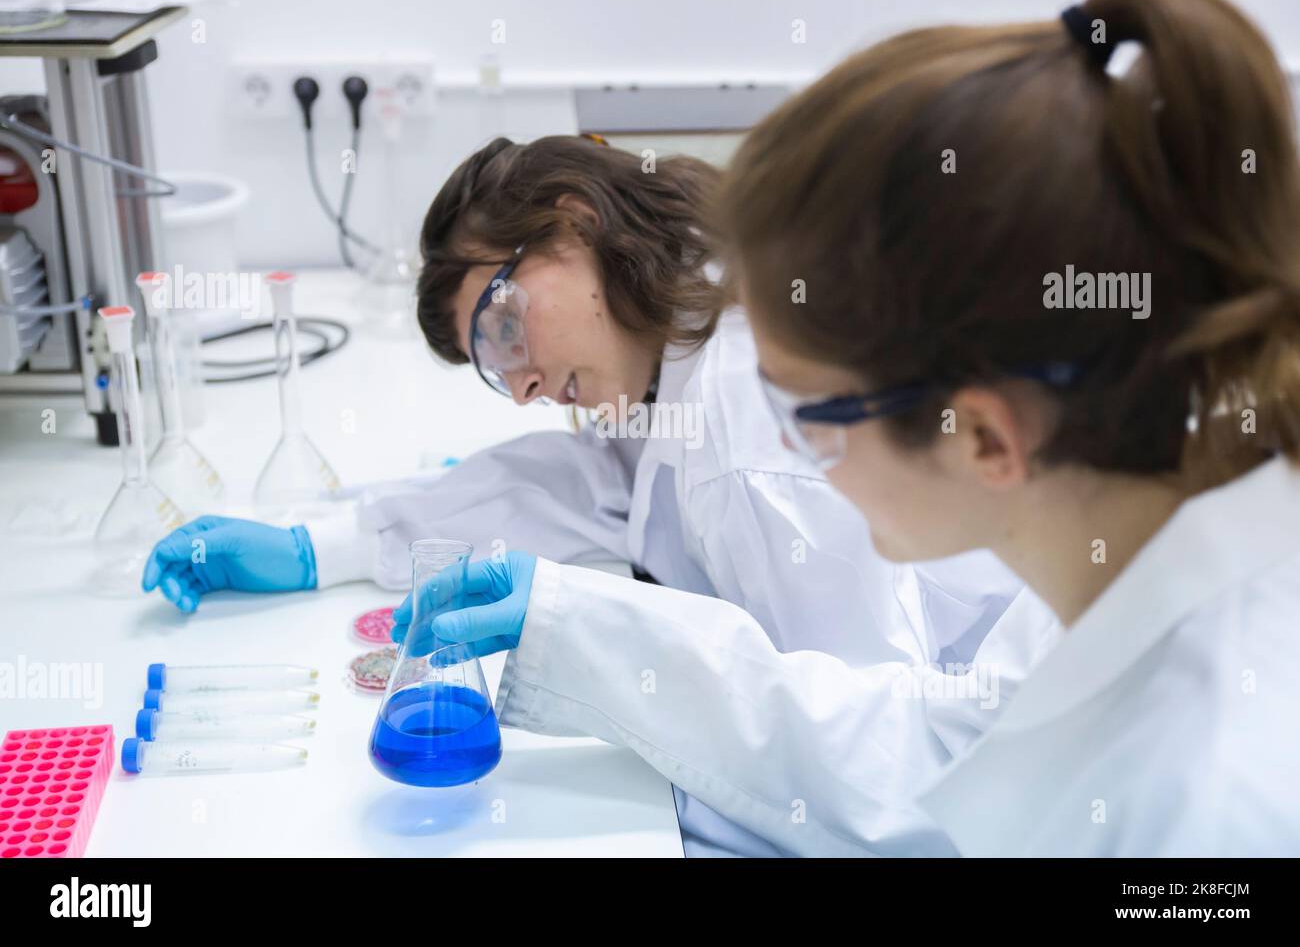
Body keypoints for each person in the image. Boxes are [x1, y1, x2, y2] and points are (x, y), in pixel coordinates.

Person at [395, 0, 1300, 855]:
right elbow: (948, 750)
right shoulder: (1154, 568)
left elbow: (929, 799)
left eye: (809, 417)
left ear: (982, 436)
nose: (785, 449)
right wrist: (575, 631)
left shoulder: (1213, 816)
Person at [142, 135, 1045, 856]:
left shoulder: (744, 439)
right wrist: (322, 546)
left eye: (502, 330)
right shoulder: (686, 340)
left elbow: (860, 764)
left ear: (572, 224)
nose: (525, 388)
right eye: (494, 369)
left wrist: (584, 634)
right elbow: (589, 484)